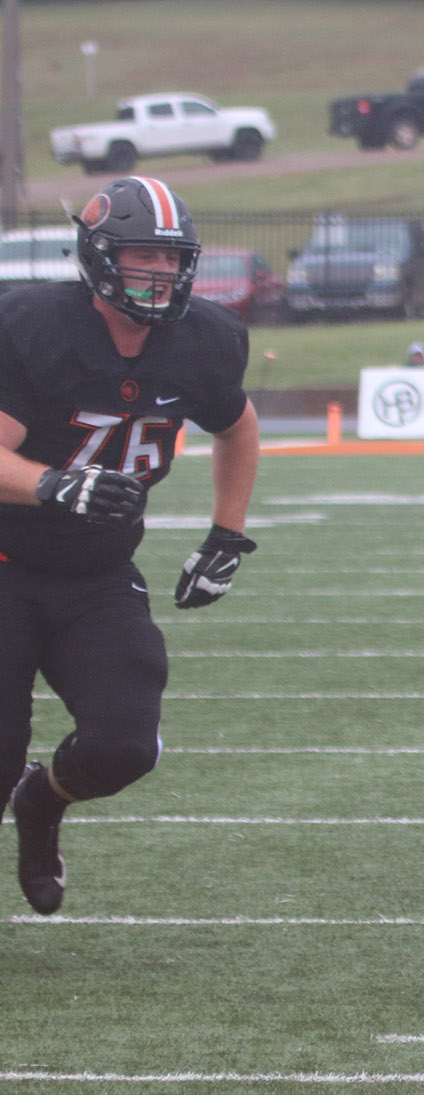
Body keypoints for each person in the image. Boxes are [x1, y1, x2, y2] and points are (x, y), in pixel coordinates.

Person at [0, 175, 262, 914]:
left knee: (124, 745)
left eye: (172, 258)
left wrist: (226, 533)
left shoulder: (204, 340)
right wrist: (57, 484)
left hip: (95, 572)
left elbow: (236, 426)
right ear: (99, 255)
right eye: (143, 255)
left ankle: (42, 800)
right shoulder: (33, 327)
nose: (161, 272)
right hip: (5, 562)